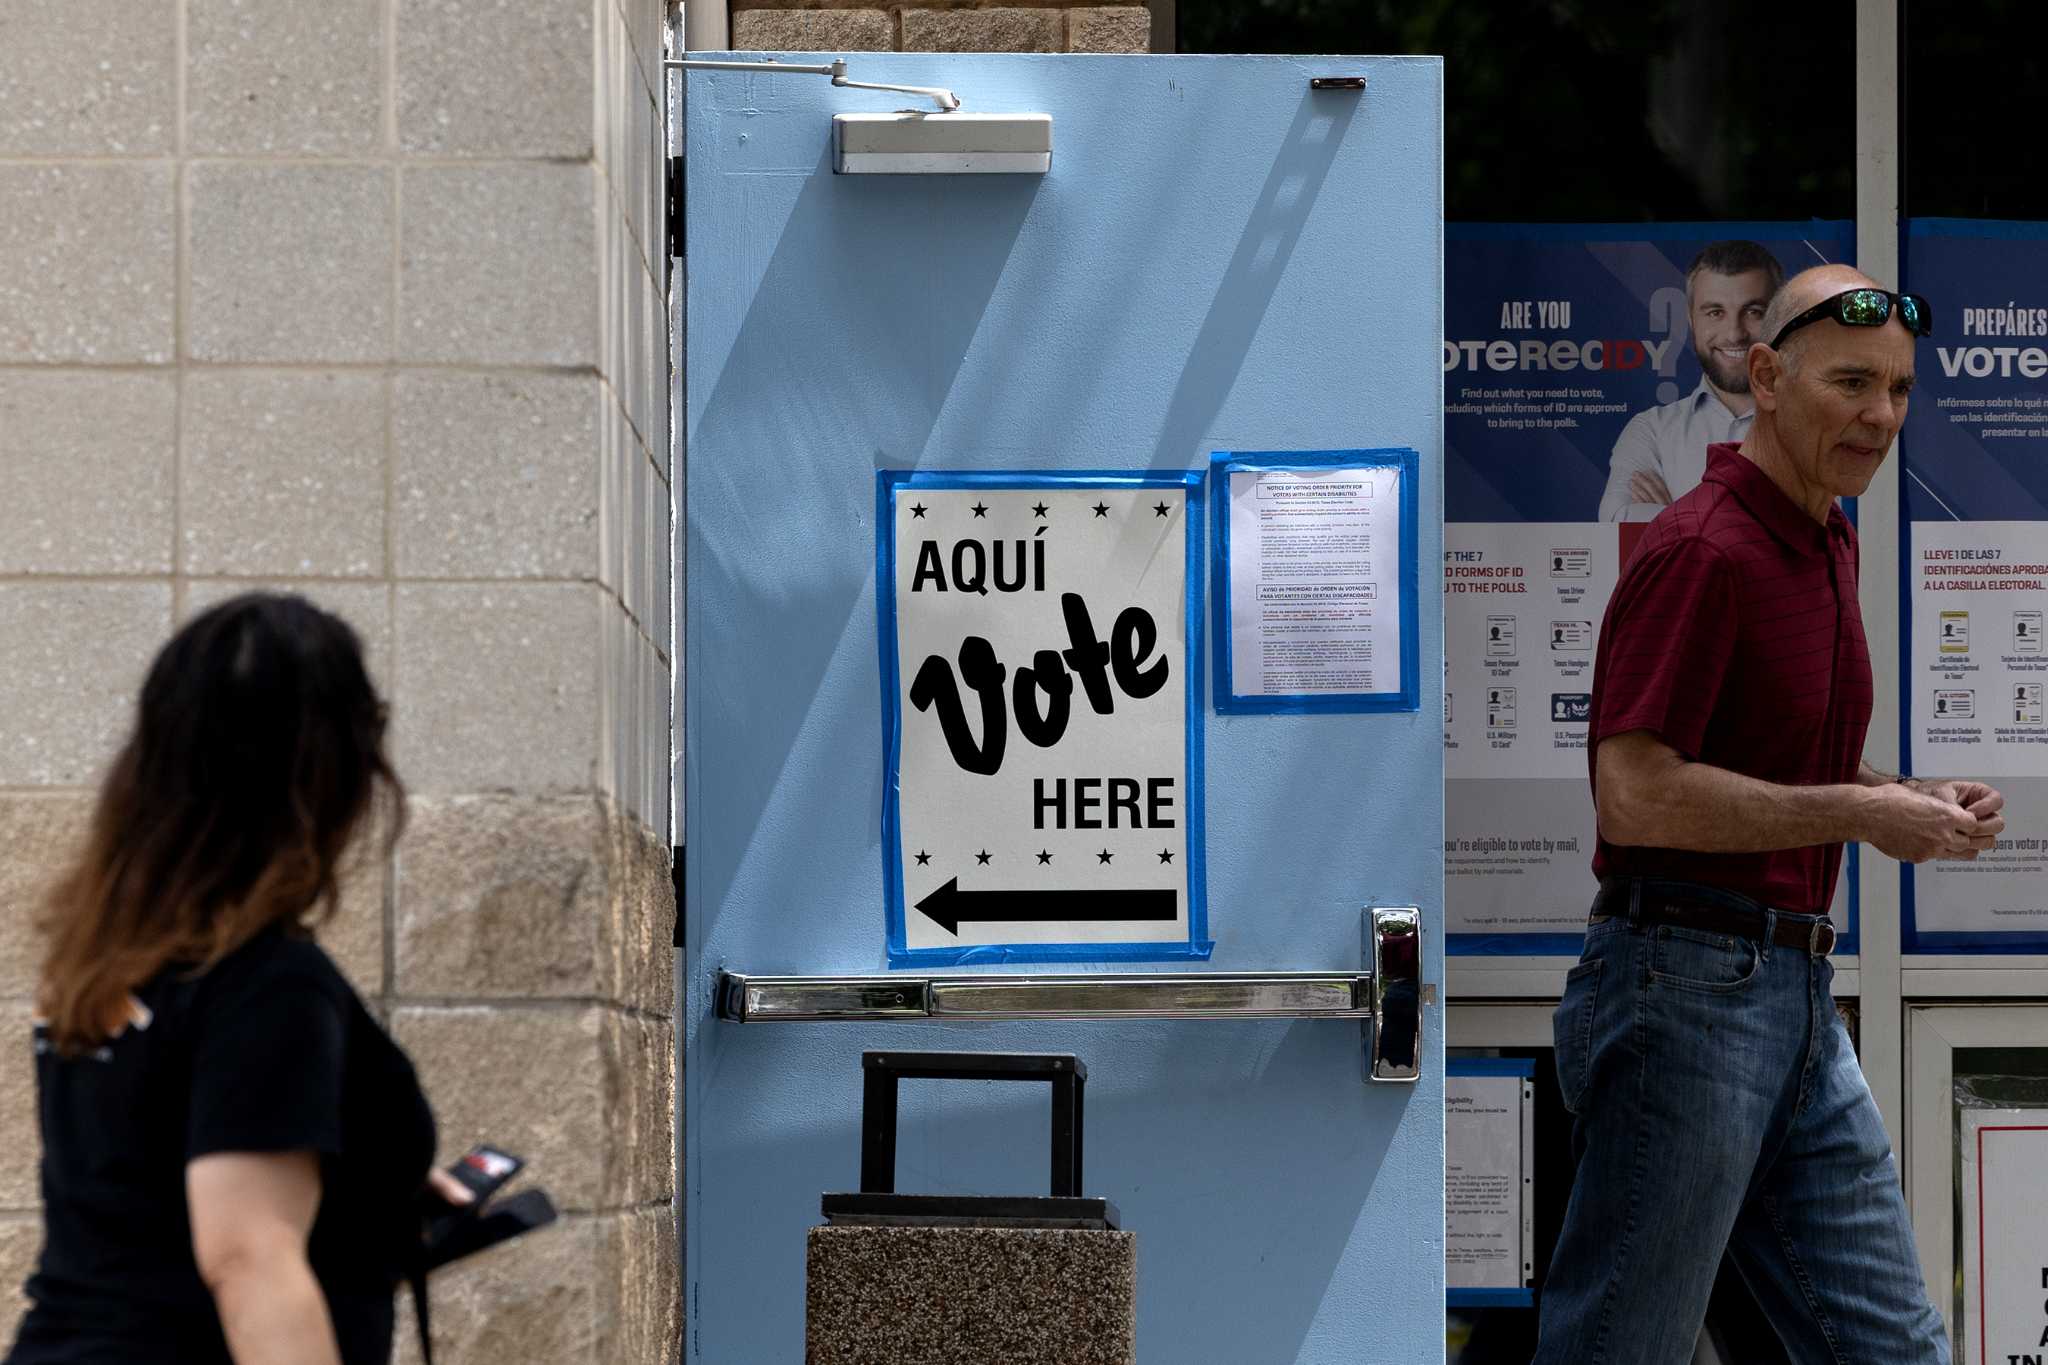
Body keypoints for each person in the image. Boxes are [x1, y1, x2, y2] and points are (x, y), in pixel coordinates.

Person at [1534, 266, 2003, 1364]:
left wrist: (1900, 795)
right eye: (1849, 382)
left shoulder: (1822, 534)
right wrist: (1855, 811)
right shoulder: (1701, 550)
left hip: (1792, 995)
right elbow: (1635, 790)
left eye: (1895, 388)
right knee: (1621, 1346)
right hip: (1681, 994)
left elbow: (1785, 759)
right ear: (1763, 377)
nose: (1878, 415)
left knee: (1891, 1350)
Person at [5, 594, 470, 1365]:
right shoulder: (269, 985)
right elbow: (248, 1258)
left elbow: (150, 1173)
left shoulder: (102, 961)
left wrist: (348, 1167)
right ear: (329, 777)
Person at [1598, 240, 1785, 521]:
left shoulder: (1813, 425)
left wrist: (1674, 516)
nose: (1734, 333)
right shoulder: (1651, 431)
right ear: (1691, 320)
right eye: (1715, 313)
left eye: (1753, 312)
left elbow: (1828, 528)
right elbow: (1618, 523)